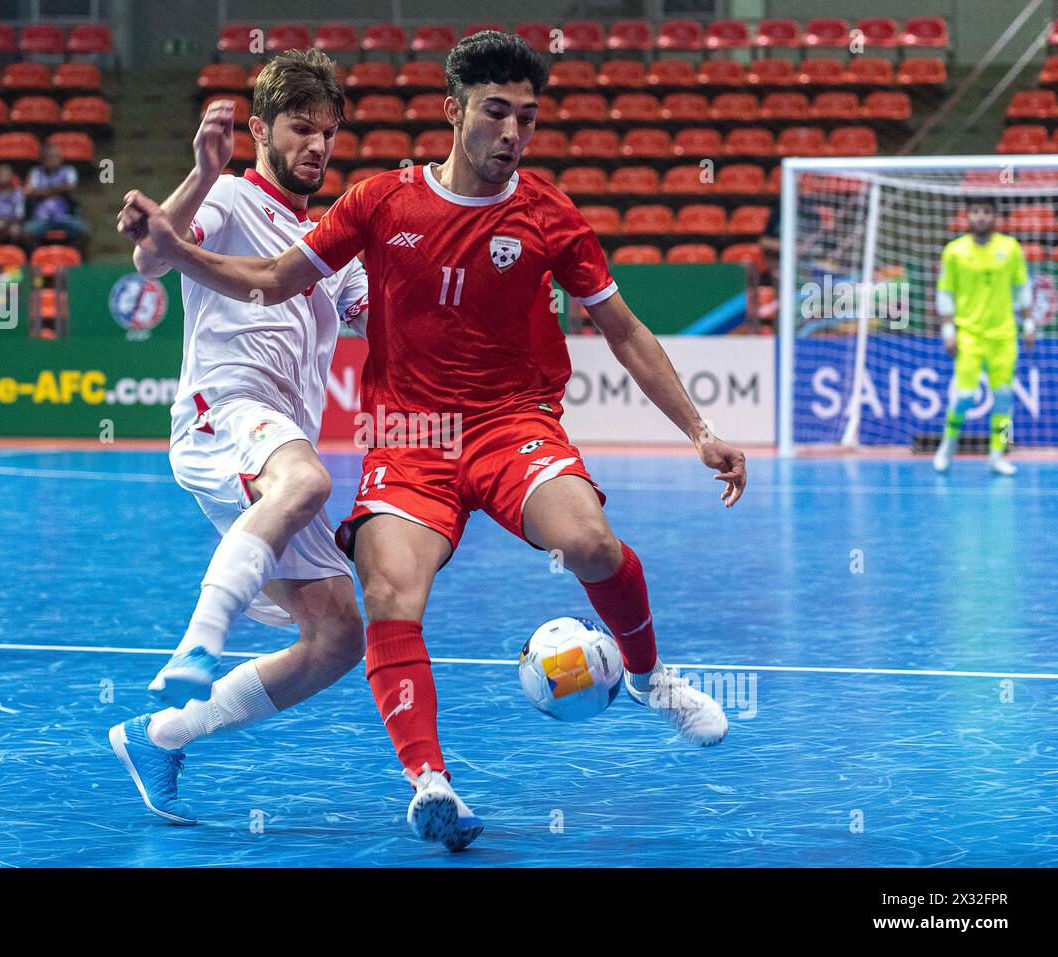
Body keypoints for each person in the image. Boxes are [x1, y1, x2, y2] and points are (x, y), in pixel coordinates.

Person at [118, 32, 746, 852]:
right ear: (454, 112)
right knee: (383, 594)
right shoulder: (377, 201)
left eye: (527, 116)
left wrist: (698, 429)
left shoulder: (549, 213)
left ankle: (648, 677)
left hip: (509, 426)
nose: (514, 132)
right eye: (496, 113)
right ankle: (428, 781)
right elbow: (265, 279)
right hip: (399, 439)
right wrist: (173, 240)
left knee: (586, 546)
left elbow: (622, 330)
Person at [109, 51, 369, 824]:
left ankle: (158, 735)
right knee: (310, 482)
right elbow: (152, 257)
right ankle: (198, 641)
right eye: (300, 128)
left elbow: (382, 322)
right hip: (221, 410)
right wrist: (197, 172)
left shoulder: (327, 241)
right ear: (259, 129)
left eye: (328, 132)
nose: (317, 146)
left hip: (275, 433)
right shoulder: (225, 194)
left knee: (337, 637)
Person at [933, 196, 1035, 476]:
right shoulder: (954, 251)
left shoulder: (1009, 248)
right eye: (975, 212)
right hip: (969, 335)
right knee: (965, 396)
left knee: (1003, 397)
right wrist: (947, 330)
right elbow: (945, 293)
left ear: (995, 217)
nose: (980, 217)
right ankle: (948, 446)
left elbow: (1022, 287)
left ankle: (997, 455)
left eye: (986, 212)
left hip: (1003, 335)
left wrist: (1028, 323)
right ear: (968, 216)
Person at [25, 144, 89, 252]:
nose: (52, 160)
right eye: (49, 157)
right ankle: (39, 259)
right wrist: (59, 190)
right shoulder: (35, 172)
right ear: (43, 159)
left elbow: (70, 188)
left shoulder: (69, 170)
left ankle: (71, 258)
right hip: (41, 218)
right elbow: (32, 192)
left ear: (61, 158)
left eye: (55, 157)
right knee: (26, 233)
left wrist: (44, 191)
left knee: (85, 231)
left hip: (64, 216)